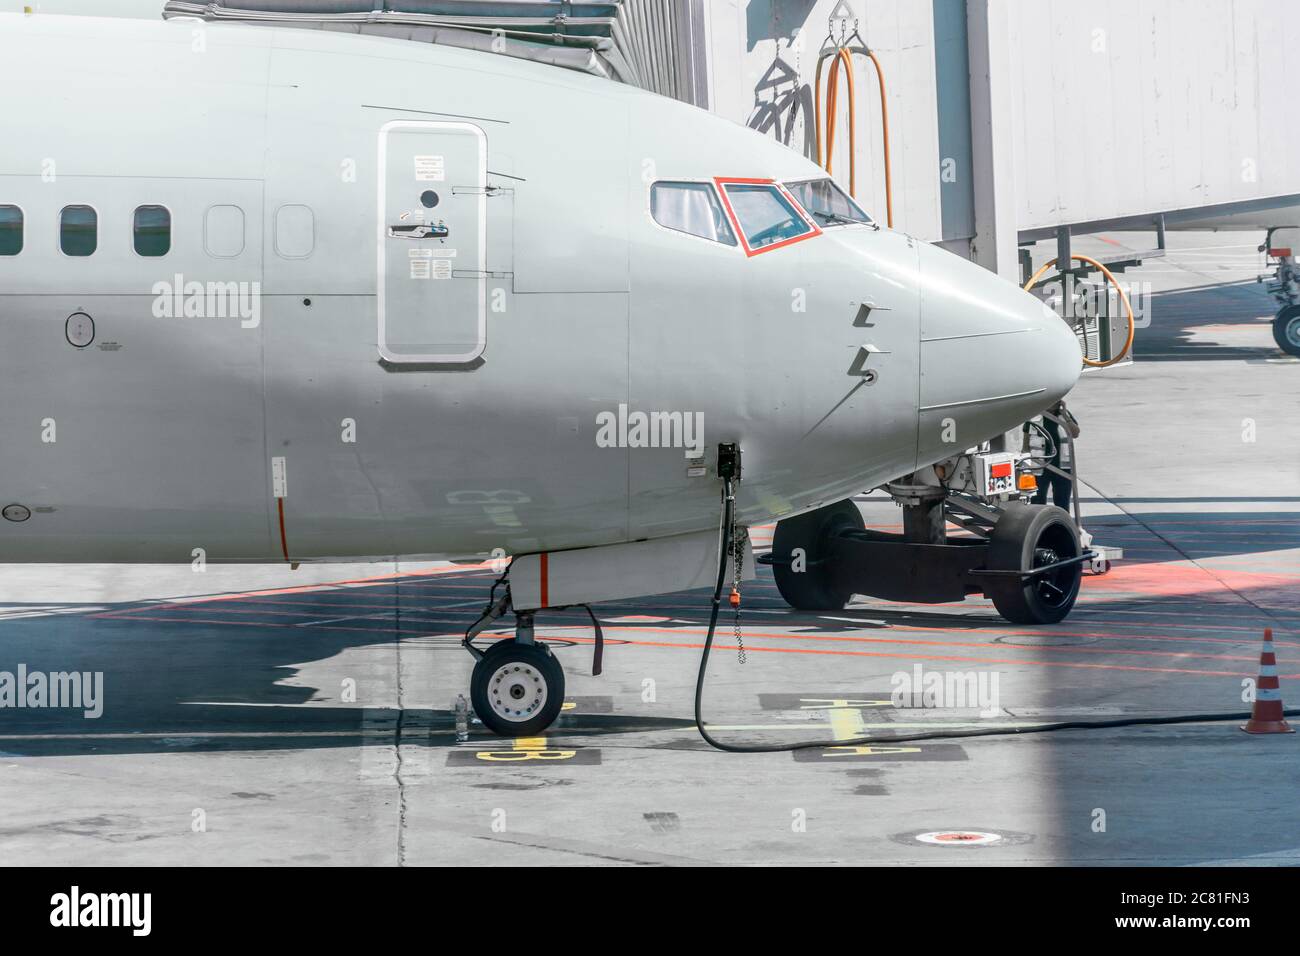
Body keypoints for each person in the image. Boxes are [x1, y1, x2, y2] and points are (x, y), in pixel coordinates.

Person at [1025, 401, 1080, 509]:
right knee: (1037, 501)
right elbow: (1025, 444)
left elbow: (1075, 433)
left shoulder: (1064, 416)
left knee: (1062, 502)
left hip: (1062, 468)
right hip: (1039, 467)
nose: (1055, 403)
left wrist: (1065, 415)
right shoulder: (1033, 416)